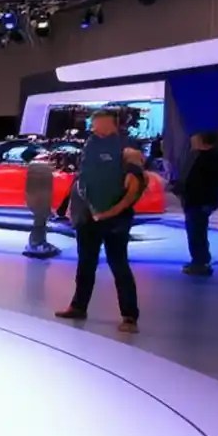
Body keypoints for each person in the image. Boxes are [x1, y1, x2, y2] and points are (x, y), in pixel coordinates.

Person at [57, 111, 143, 333]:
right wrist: (71, 205)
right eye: (93, 124)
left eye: (98, 123)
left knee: (119, 264)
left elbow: (136, 171)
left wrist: (115, 209)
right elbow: (82, 177)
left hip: (115, 218)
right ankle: (78, 306)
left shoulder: (126, 145)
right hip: (87, 216)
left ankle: (129, 316)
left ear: (111, 123)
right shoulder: (90, 144)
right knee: (85, 263)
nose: (94, 127)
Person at [179, 131, 218, 277]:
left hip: (199, 202)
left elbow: (207, 183)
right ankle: (199, 260)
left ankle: (200, 262)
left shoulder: (210, 159)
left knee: (197, 232)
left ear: (201, 141)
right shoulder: (202, 157)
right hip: (195, 201)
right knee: (196, 232)